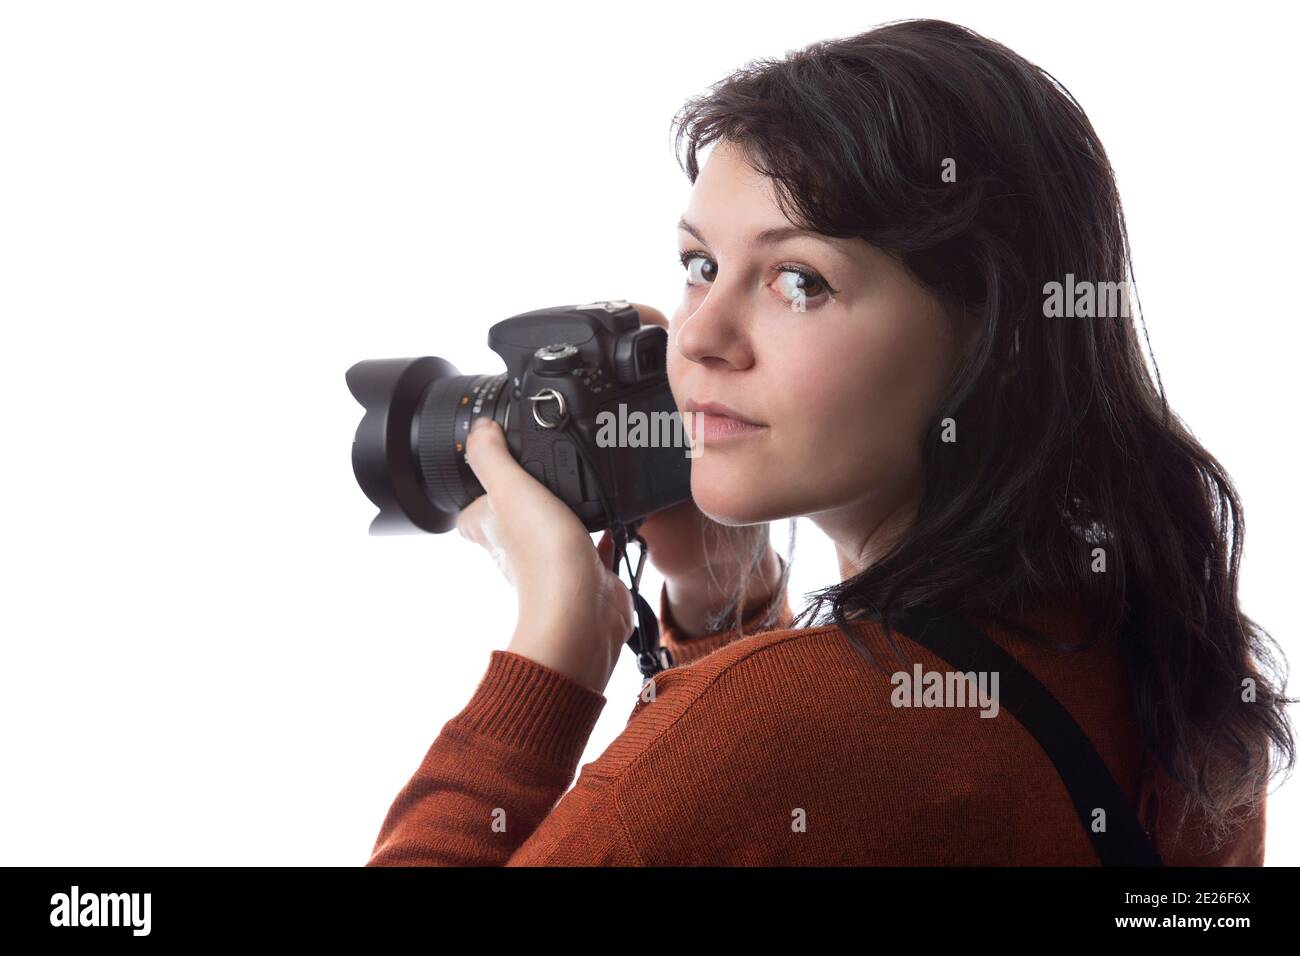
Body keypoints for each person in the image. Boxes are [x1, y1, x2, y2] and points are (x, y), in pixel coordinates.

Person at [365, 18, 1292, 866]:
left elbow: (797, 768)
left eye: (798, 280)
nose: (695, 336)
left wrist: (551, 650)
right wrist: (721, 596)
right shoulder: (1174, 667)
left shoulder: (770, 733)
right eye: (701, 266)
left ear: (999, 339)